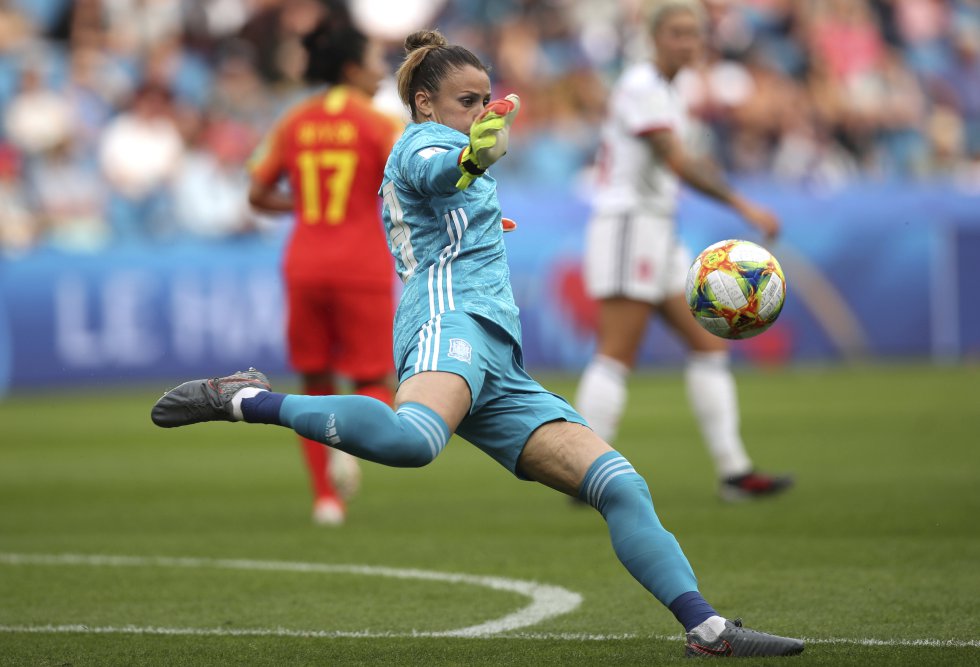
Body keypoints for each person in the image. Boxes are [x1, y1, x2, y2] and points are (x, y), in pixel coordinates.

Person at [152, 29, 804, 658]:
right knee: (413, 441)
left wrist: (478, 166)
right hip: (446, 320)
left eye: (484, 101)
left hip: (501, 362)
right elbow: (439, 172)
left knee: (621, 485)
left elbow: (461, 190)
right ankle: (246, 398)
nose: (479, 111)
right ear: (426, 102)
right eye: (467, 100)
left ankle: (706, 628)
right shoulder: (418, 145)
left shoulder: (470, 160)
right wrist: (471, 155)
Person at [575, 0, 793, 502]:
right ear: (653, 37)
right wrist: (743, 204)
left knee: (709, 346)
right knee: (616, 352)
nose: (688, 43)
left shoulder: (668, 90)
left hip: (655, 228)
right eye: (676, 33)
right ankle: (579, 467)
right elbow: (675, 160)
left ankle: (734, 472)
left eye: (694, 34)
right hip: (629, 226)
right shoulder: (642, 87)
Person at [246, 17, 402, 525]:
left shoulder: (294, 120)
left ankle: (325, 501)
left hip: (305, 260)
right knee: (373, 376)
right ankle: (347, 449)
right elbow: (410, 181)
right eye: (377, 61)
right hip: (361, 263)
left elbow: (257, 192)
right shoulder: (379, 123)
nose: (382, 72)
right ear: (354, 67)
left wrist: (307, 209)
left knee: (313, 382)